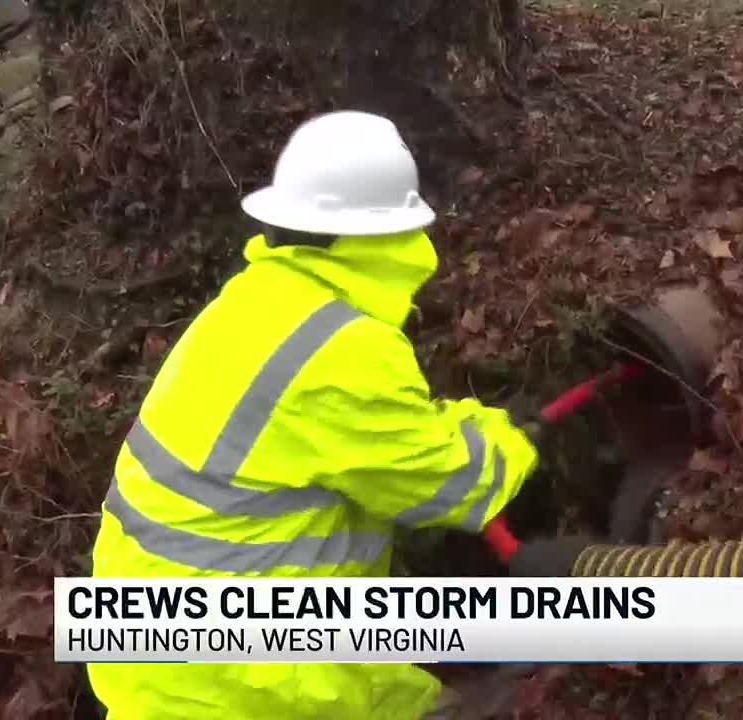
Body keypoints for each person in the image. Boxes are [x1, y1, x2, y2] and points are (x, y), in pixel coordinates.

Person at [87, 110, 540, 719]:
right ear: (394, 235)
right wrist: (510, 434)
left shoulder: (252, 303)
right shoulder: (348, 350)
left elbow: (334, 432)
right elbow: (457, 485)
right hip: (241, 679)